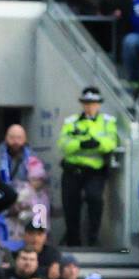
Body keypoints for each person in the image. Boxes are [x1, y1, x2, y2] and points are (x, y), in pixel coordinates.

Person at [57, 86, 118, 246]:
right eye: (87, 103)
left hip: (95, 171)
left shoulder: (107, 121)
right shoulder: (71, 121)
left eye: (93, 103)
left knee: (95, 199)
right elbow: (63, 144)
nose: (90, 106)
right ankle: (73, 240)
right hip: (73, 169)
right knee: (70, 205)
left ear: (98, 104)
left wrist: (97, 143)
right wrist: (82, 144)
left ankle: (93, 238)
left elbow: (111, 143)